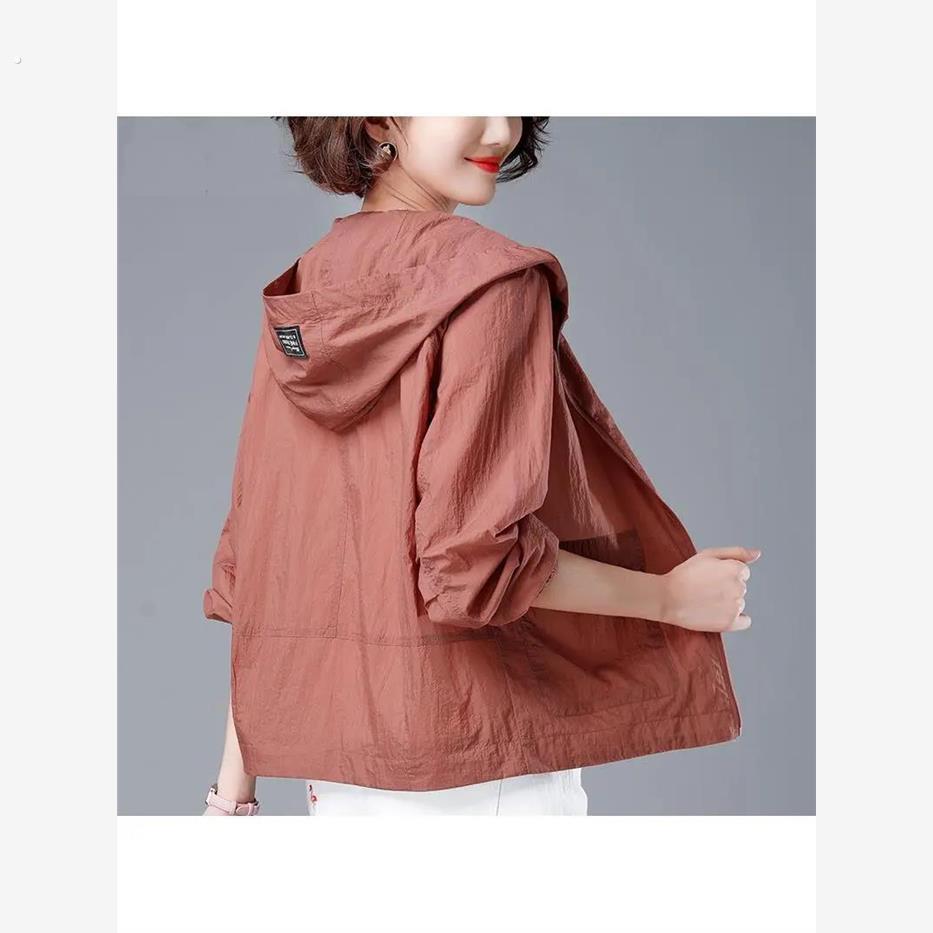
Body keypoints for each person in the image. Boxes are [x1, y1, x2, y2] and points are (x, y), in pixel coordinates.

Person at [200, 117, 758, 817]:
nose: (501, 129)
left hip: (339, 782)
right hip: (481, 766)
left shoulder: (306, 294)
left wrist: (232, 797)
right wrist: (669, 599)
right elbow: (470, 566)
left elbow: (265, 572)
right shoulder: (490, 282)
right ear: (377, 117)